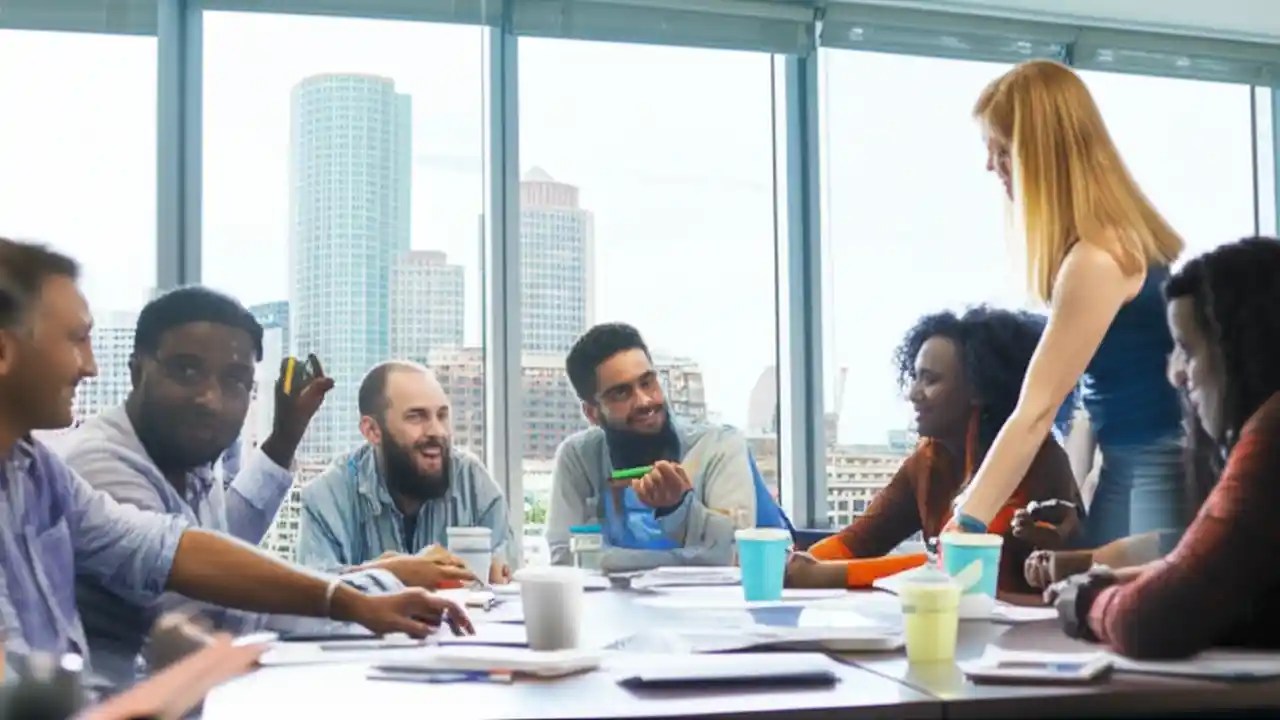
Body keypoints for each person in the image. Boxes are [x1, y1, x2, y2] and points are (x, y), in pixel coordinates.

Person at [0, 238, 472, 682]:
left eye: (235, 381)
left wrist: (351, 597)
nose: (89, 366)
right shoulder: (100, 461)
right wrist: (372, 584)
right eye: (76, 339)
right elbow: (214, 607)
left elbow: (177, 549)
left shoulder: (37, 470)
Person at [951, 60, 1185, 547]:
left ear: (1041, 155)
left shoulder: (1097, 260)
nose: (991, 166)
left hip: (1151, 484)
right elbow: (1098, 402)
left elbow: (1037, 411)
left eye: (1002, 150)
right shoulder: (1117, 247)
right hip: (1129, 473)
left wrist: (966, 521)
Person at [1048, 237, 1280, 659]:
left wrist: (1088, 603)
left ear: (1245, 346)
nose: (1174, 373)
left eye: (1187, 350)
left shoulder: (1273, 436)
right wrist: (1136, 580)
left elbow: (1149, 621)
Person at [786, 307, 1079, 594]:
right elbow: (857, 542)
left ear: (979, 389)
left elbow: (959, 568)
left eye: (931, 380)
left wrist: (823, 574)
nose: (913, 393)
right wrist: (796, 564)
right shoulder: (927, 460)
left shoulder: (1035, 461)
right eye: (915, 377)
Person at [545, 323, 757, 571]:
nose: (645, 401)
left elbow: (736, 555)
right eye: (621, 393)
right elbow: (564, 559)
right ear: (592, 413)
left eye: (647, 383)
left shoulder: (717, 446)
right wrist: (690, 558)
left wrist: (677, 509)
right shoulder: (578, 458)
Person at [299, 361, 514, 583]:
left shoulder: (473, 483)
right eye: (416, 416)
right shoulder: (327, 497)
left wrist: (498, 575)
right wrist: (387, 575)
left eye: (442, 416)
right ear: (372, 430)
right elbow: (312, 590)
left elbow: (507, 575)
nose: (437, 431)